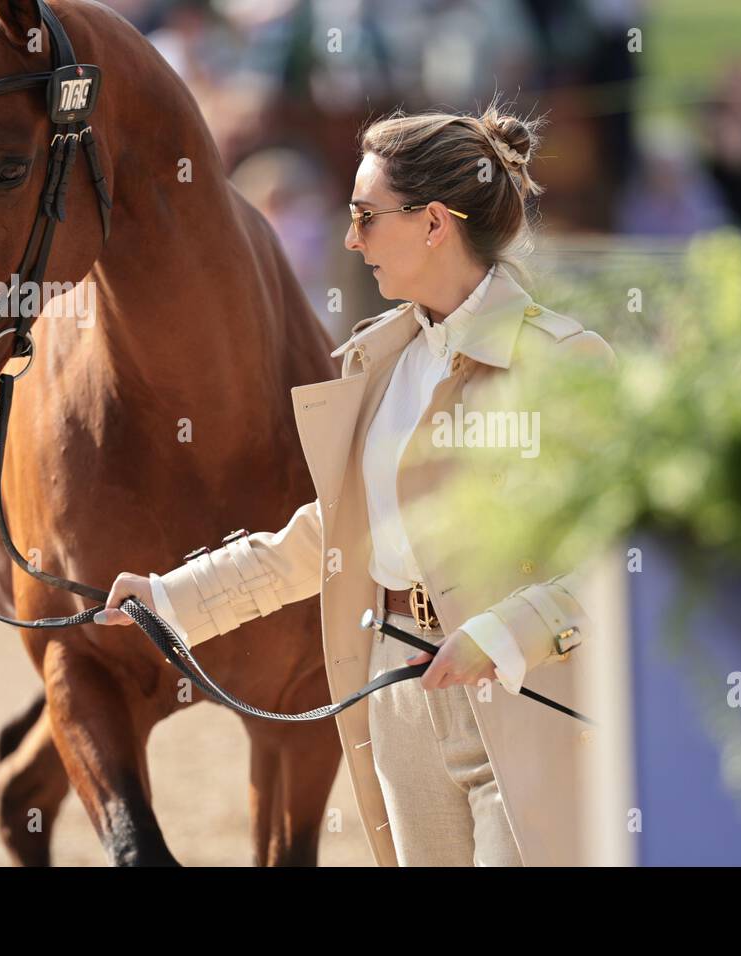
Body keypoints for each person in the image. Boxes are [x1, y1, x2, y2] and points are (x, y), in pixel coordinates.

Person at [96, 98, 615, 866]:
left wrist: (501, 635)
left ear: (434, 222)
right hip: (397, 689)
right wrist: (171, 598)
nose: (350, 238)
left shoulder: (565, 361)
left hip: (526, 699)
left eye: (367, 217)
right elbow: (325, 539)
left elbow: (612, 557)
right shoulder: (377, 363)